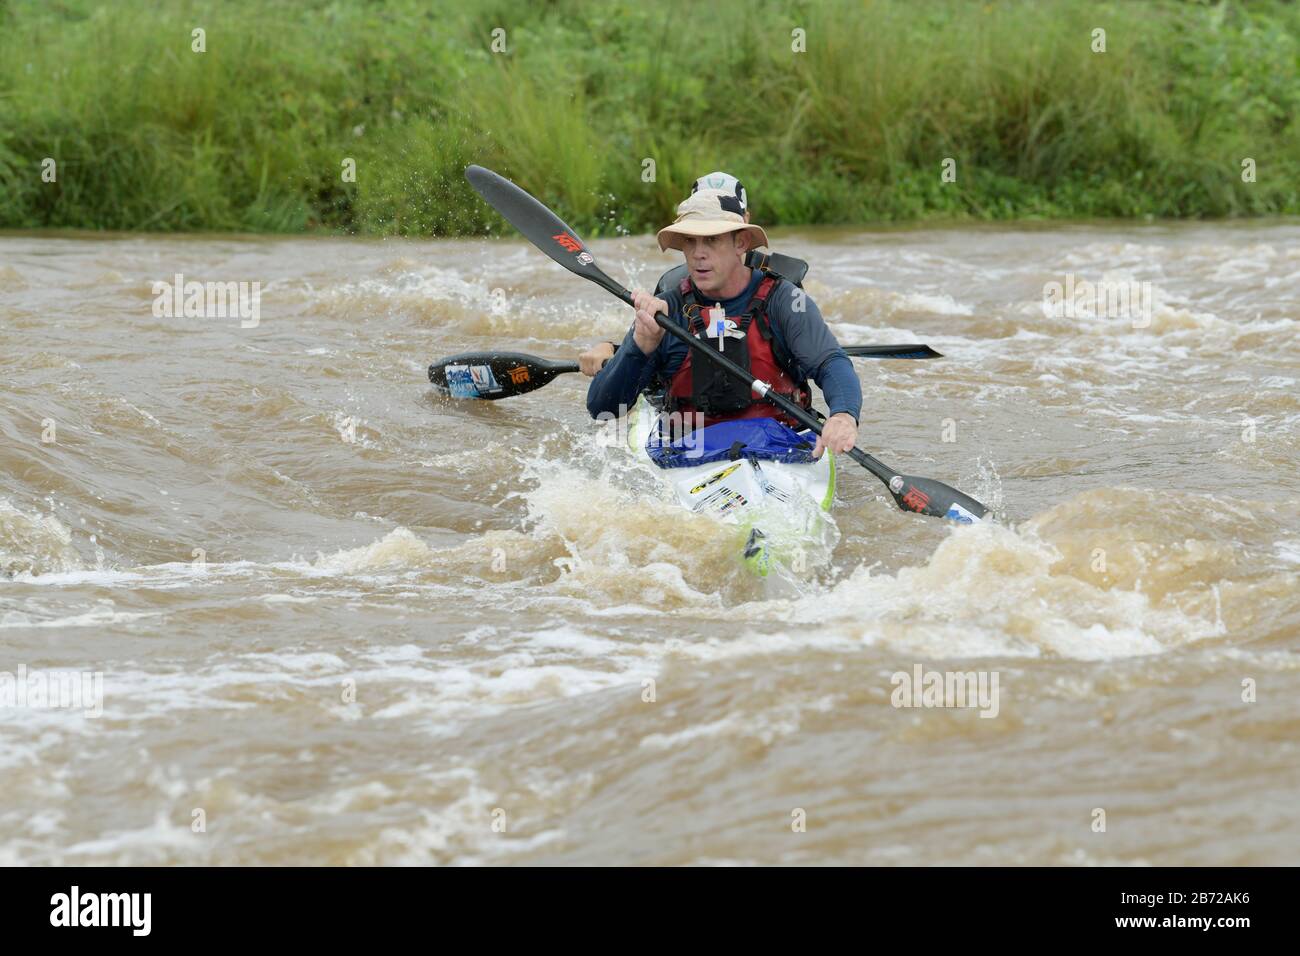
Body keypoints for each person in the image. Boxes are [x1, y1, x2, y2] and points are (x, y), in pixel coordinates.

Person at [584, 187, 860, 459]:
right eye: (689, 241)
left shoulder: (784, 301)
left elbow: (830, 362)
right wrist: (640, 346)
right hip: (689, 454)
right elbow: (602, 408)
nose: (697, 254)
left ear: (740, 243)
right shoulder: (665, 311)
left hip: (781, 447)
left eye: (712, 240)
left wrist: (843, 415)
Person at [577, 172, 806, 377]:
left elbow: (811, 353)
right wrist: (609, 348)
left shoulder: (784, 280)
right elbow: (653, 348)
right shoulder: (672, 285)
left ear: (745, 221)